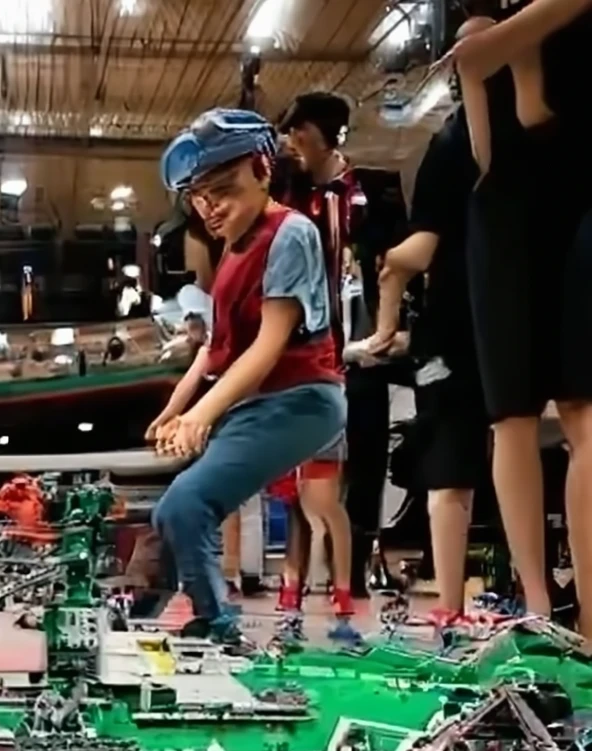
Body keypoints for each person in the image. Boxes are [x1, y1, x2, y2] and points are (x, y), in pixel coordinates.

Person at [146, 109, 346, 648]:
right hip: (260, 402)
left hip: (302, 398)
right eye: (199, 197)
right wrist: (176, 408)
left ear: (262, 169)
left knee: (190, 503)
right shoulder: (235, 248)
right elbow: (214, 348)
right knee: (173, 511)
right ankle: (209, 615)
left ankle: (220, 628)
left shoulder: (291, 234)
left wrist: (201, 416)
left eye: (223, 191)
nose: (210, 209)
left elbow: (270, 342)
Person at [453, 0, 592, 636]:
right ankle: (540, 605)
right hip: (510, 212)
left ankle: (579, 611)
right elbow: (505, 135)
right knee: (516, 413)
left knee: (580, 409)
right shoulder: (489, 29)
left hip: (561, 200)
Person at [362, 60, 486, 625]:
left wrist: (386, 327)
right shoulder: (530, 130)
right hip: (507, 319)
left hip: (453, 333)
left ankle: (451, 605)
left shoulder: (451, 143)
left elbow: (404, 260)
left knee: (450, 462)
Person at [269, 92, 365, 618]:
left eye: (298, 132)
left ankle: (343, 588)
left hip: (329, 357)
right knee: (294, 493)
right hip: (289, 356)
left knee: (324, 493)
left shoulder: (355, 197)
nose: (291, 142)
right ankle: (293, 583)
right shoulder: (292, 188)